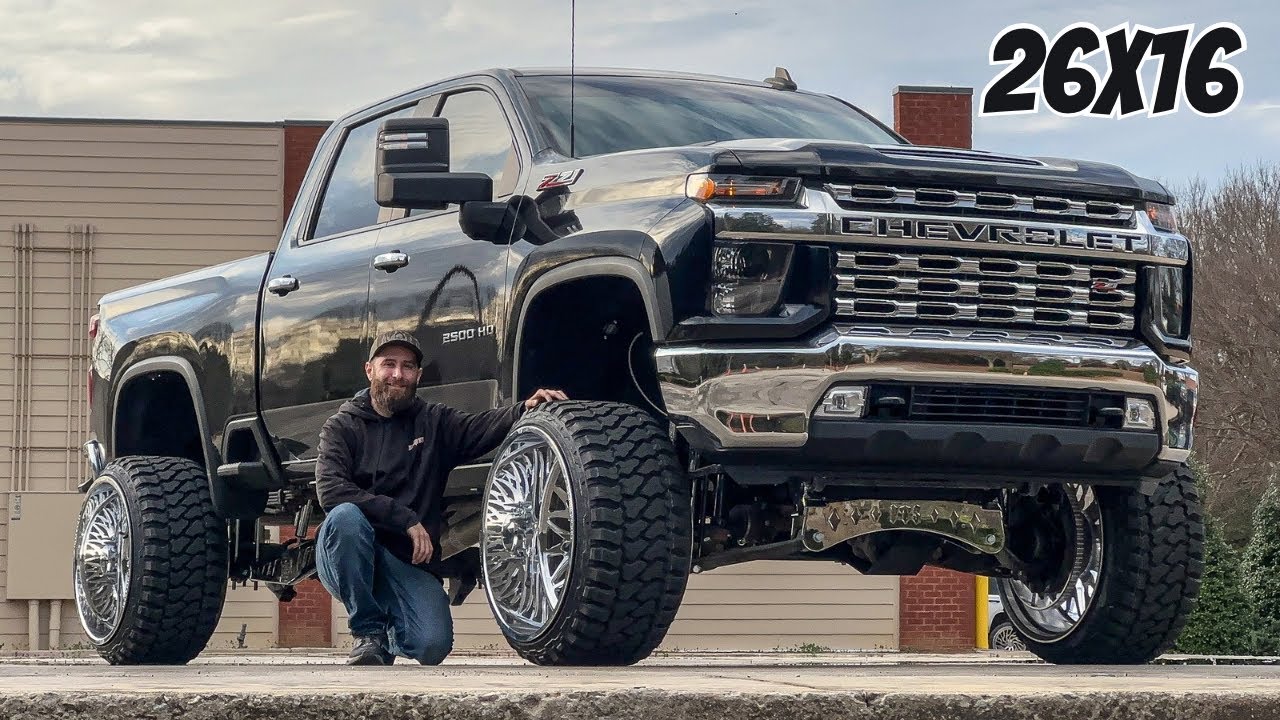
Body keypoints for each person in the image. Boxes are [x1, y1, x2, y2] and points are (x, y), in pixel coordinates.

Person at [313, 329, 567, 666]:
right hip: (349, 551)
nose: (398, 374)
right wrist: (405, 518)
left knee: (432, 646)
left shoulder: (433, 421)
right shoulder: (342, 426)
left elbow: (479, 428)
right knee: (345, 517)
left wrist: (524, 408)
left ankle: (387, 635)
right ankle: (367, 632)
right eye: (389, 364)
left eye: (407, 367)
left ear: (418, 375)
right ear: (369, 370)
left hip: (404, 561)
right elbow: (331, 490)